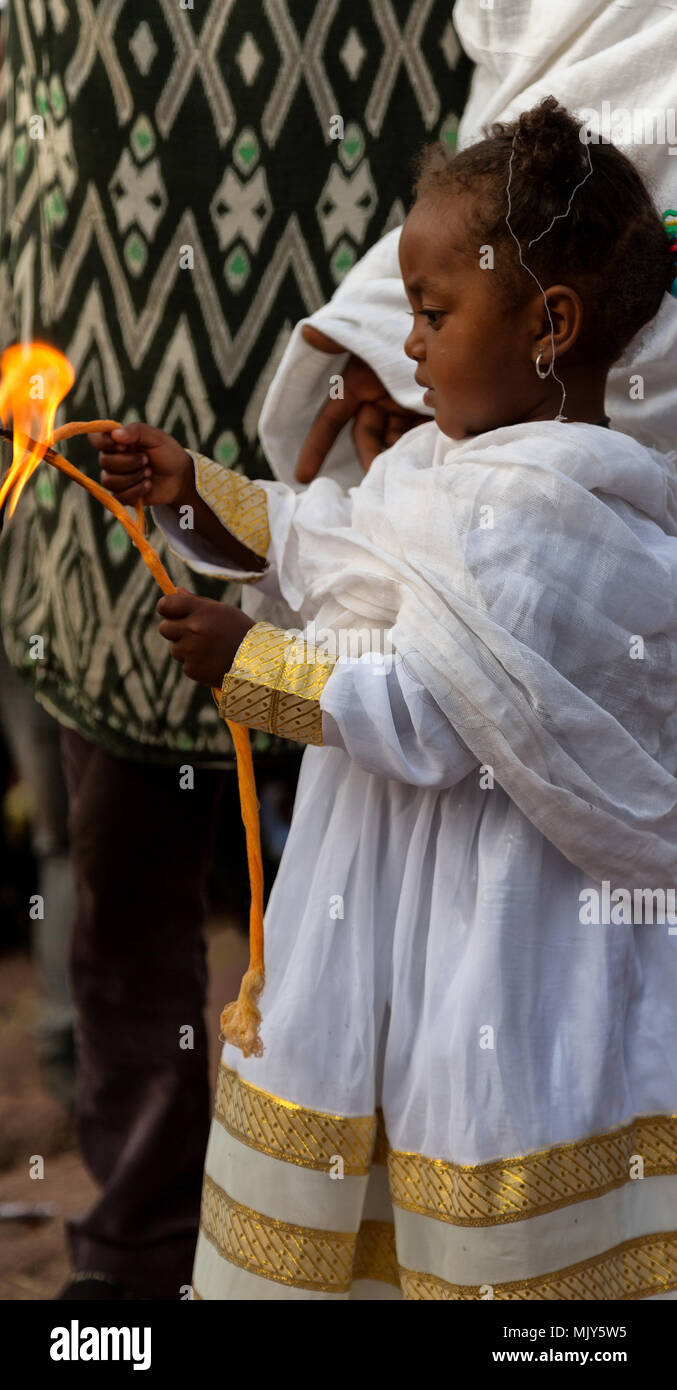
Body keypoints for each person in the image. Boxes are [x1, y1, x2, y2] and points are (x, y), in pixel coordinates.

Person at [92, 98, 677, 1300]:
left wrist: (246, 666)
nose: (405, 347)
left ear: (547, 326)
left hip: (502, 933)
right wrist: (192, 493)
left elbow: (423, 708)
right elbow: (334, 550)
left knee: (474, 1139)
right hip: (387, 904)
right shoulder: (436, 465)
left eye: (431, 313)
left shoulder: (555, 520)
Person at [0, 0, 468, 1298]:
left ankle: (367, 1231)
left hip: (376, 350)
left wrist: (391, 331)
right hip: (102, 320)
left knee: (379, 876)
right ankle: (146, 1243)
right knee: (121, 869)